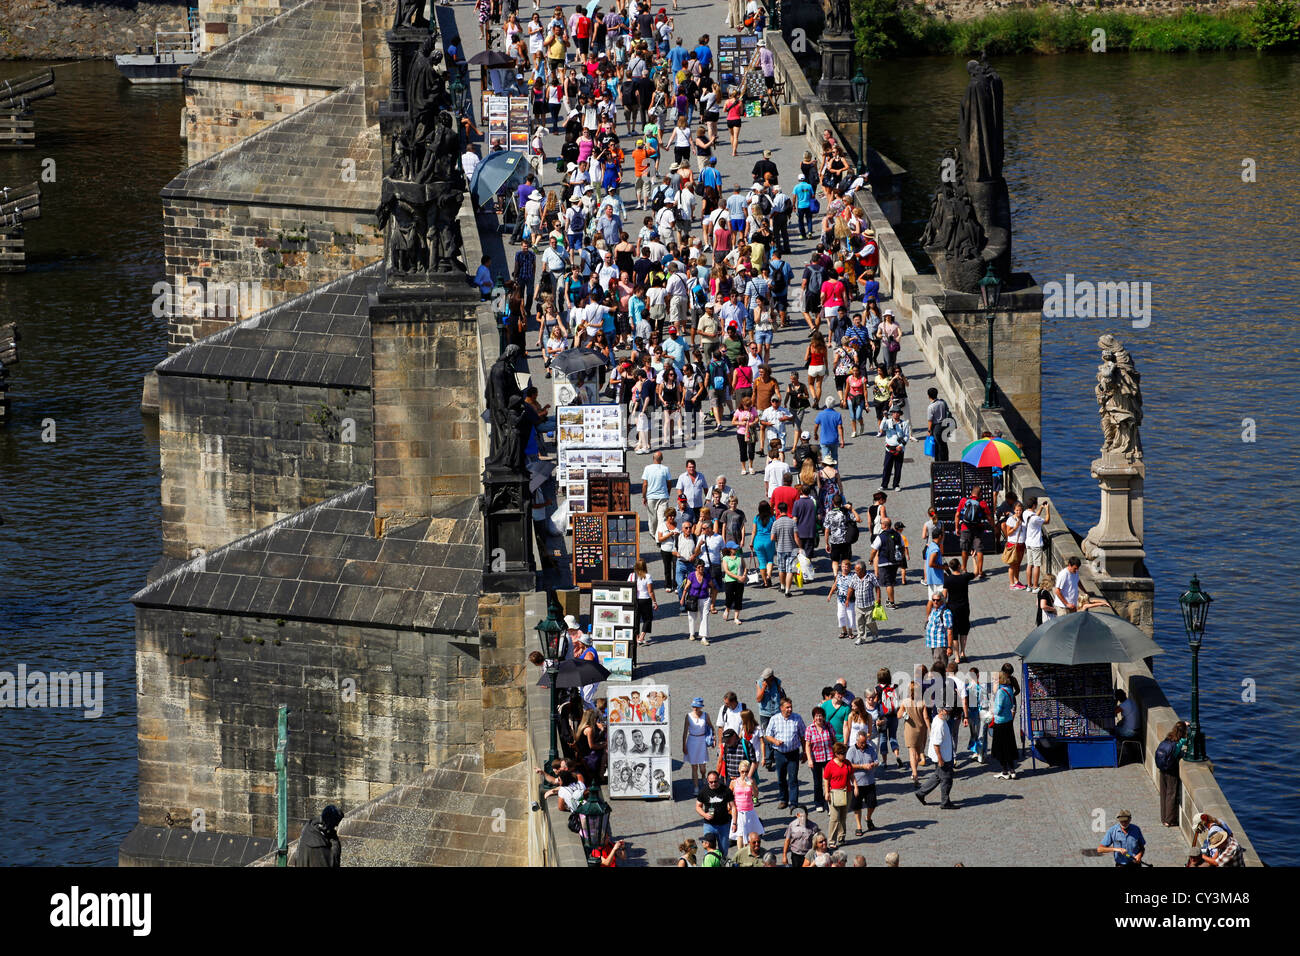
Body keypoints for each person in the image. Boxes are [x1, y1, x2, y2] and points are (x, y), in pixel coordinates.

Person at [763, 696, 805, 809]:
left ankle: (793, 803)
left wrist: (805, 752)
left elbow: (803, 735)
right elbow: (767, 735)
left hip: (793, 753)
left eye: (791, 707)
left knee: (793, 779)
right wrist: (775, 741)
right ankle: (783, 800)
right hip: (779, 754)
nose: (790, 709)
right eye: (787, 707)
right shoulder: (774, 719)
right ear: (781, 708)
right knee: (781, 779)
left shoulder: (797, 718)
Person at [915, 705, 957, 810]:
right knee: (947, 779)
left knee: (938, 776)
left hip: (943, 755)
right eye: (947, 711)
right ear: (941, 711)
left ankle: (921, 792)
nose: (949, 713)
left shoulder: (938, 719)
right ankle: (945, 802)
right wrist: (940, 759)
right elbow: (936, 744)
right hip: (942, 757)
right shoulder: (940, 724)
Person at [845, 729, 880, 835]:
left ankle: (868, 818)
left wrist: (873, 764)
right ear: (857, 741)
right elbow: (848, 765)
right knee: (857, 806)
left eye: (865, 742)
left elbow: (877, 760)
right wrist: (862, 766)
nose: (863, 745)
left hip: (869, 782)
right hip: (857, 783)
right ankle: (859, 826)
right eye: (861, 743)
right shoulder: (851, 750)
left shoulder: (870, 749)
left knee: (872, 804)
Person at [1155, 720, 1189, 826]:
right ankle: (1169, 820)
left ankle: (1163, 817)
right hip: (1171, 770)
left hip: (1163, 768)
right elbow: (1187, 740)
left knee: (1164, 794)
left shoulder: (1169, 738)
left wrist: (1182, 724)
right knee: (1171, 794)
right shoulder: (1180, 742)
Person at [943, 558, 977, 663]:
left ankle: (957, 656)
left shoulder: (948, 580)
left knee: (954, 634)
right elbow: (976, 572)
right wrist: (974, 558)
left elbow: (944, 595)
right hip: (964, 608)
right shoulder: (964, 577)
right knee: (964, 631)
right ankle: (963, 652)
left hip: (952, 609)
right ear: (959, 566)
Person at [955, 484, 993, 577]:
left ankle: (964, 568)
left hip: (965, 527)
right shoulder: (982, 503)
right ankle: (980, 571)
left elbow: (957, 514)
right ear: (980, 494)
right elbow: (989, 517)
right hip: (977, 528)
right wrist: (993, 525)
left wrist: (957, 527)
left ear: (971, 493)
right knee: (979, 549)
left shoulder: (964, 501)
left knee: (965, 548)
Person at [822, 742, 854, 849]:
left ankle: (841, 836)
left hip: (847, 792)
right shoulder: (830, 765)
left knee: (843, 816)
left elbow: (851, 776)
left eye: (844, 753)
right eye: (841, 753)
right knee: (834, 817)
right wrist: (826, 792)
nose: (843, 755)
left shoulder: (847, 763)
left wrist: (856, 786)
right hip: (834, 793)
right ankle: (831, 840)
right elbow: (826, 779)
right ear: (835, 753)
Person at [803, 706, 835, 814]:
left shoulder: (829, 726)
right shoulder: (809, 729)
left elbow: (834, 741)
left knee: (830, 782)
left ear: (824, 717)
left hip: (829, 757)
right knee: (817, 783)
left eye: (820, 715)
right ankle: (819, 803)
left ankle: (830, 803)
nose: (819, 718)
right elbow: (807, 746)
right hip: (816, 758)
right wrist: (809, 759)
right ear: (813, 717)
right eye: (817, 716)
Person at [870, 516, 904, 609]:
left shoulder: (881, 536)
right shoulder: (897, 535)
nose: (880, 524)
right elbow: (902, 546)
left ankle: (892, 603)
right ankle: (890, 599)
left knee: (888, 583)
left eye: (881, 523)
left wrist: (871, 559)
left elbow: (874, 550)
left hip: (884, 562)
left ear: (884, 525)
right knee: (891, 582)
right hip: (895, 562)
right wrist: (901, 558)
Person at [989, 670, 1018, 779]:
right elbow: (1011, 704)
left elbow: (999, 708)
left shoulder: (1000, 692)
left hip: (1000, 722)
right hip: (1008, 720)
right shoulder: (1009, 689)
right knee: (1009, 745)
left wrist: (993, 711)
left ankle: (1004, 771)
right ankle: (1012, 770)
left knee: (1000, 747)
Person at [900, 679, 929, 788]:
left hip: (910, 729)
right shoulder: (922, 702)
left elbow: (899, 715)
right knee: (917, 752)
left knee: (912, 753)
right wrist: (930, 729)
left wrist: (904, 713)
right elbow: (926, 717)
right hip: (920, 729)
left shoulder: (905, 702)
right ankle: (914, 771)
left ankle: (915, 773)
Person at [680, 558, 715, 645]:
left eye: (702, 567)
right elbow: (686, 587)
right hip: (693, 599)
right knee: (692, 617)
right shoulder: (691, 575)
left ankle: (704, 637)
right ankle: (692, 633)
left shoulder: (707, 575)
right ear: (696, 567)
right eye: (699, 567)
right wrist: (682, 598)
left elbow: (712, 586)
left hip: (705, 598)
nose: (701, 569)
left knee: (705, 617)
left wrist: (711, 596)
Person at [682, 696, 715, 789]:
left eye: (697, 706)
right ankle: (696, 787)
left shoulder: (706, 715)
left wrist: (714, 738)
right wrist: (683, 745)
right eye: (694, 706)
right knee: (694, 767)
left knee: (702, 768)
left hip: (701, 742)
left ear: (701, 707)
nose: (695, 708)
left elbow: (711, 727)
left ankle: (703, 776)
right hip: (691, 741)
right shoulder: (688, 716)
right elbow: (685, 732)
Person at [729, 761, 764, 845]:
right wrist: (730, 806)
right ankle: (740, 854)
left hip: (749, 811)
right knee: (740, 835)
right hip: (739, 812)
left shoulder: (751, 781)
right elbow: (729, 795)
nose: (744, 774)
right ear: (739, 771)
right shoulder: (734, 782)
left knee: (749, 834)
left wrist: (752, 785)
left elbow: (755, 795)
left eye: (746, 771)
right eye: (742, 771)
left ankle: (747, 852)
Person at [847, 560, 880, 646]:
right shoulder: (854, 577)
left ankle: (875, 633)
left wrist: (878, 598)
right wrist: (847, 599)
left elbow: (877, 587)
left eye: (857, 570)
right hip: (858, 605)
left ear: (863, 570)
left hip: (869, 605)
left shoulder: (871, 576)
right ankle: (861, 638)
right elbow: (851, 588)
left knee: (870, 622)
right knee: (859, 623)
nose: (855, 572)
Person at [770, 501, 800, 597]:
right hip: (791, 549)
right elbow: (796, 537)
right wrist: (800, 547)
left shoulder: (775, 523)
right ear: (787, 510)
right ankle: (787, 591)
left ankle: (782, 586)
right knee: (790, 570)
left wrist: (778, 538)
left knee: (781, 569)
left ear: (778, 510)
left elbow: (772, 538)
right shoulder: (792, 522)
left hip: (780, 549)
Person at [641, 450, 671, 538]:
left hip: (651, 497)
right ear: (662, 459)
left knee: (652, 518)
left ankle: (653, 533)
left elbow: (645, 484)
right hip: (663, 497)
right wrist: (667, 493)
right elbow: (669, 483)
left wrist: (644, 496)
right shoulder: (665, 469)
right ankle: (660, 535)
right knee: (662, 518)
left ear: (653, 458)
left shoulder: (647, 468)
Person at [879, 405, 910, 490]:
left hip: (899, 449)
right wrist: (884, 418)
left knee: (898, 468)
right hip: (889, 449)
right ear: (891, 414)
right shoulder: (888, 422)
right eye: (894, 413)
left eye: (897, 413)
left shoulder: (904, 424)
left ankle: (896, 485)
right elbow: (881, 428)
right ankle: (884, 485)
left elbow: (906, 436)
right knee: (886, 467)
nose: (895, 414)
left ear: (900, 414)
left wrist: (901, 446)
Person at [629, 559, 658, 647]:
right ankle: (642, 637)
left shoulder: (632, 575)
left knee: (636, 619)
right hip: (645, 599)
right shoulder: (647, 576)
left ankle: (636, 637)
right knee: (648, 619)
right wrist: (655, 602)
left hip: (635, 600)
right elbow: (650, 591)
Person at [813, 395, 845, 463]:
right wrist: (842, 440)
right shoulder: (837, 415)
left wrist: (815, 434)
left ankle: (826, 472)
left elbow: (816, 425)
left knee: (825, 459)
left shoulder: (821, 414)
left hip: (824, 440)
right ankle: (835, 472)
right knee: (834, 458)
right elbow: (840, 428)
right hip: (834, 440)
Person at [721, 542, 746, 623]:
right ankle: (727, 609)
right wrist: (737, 577)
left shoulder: (739, 557)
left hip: (739, 581)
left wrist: (744, 575)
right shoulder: (725, 558)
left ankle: (736, 618)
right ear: (729, 549)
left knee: (738, 598)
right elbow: (726, 571)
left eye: (736, 548)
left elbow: (744, 567)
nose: (736, 549)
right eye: (734, 548)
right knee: (729, 598)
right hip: (729, 581)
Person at [925, 387, 950, 461]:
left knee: (938, 445)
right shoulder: (943, 402)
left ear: (928, 396)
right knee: (944, 444)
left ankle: (939, 461)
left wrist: (929, 431)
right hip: (944, 425)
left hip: (936, 427)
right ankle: (945, 459)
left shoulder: (931, 407)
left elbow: (930, 420)